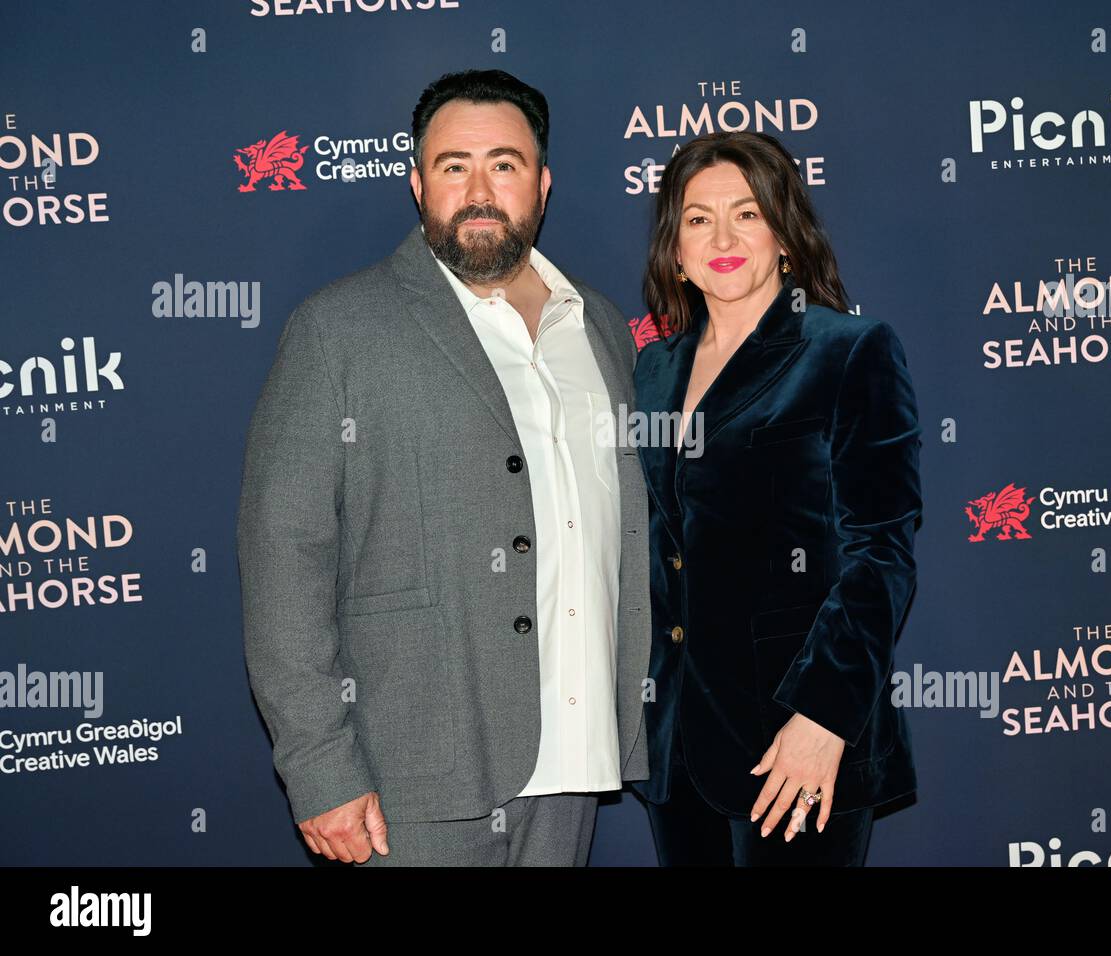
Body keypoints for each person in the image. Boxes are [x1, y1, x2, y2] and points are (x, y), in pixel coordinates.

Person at [236, 69, 651, 866]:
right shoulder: (339, 329)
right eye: (454, 165)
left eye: (505, 162)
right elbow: (284, 551)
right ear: (418, 183)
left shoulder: (597, 324)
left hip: (574, 759)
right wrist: (320, 765)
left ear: (543, 182)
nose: (480, 187)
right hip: (411, 778)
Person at [630, 130, 923, 866]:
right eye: (698, 218)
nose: (721, 237)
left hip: (799, 738)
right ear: (674, 246)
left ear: (786, 237)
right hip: (680, 747)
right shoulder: (650, 372)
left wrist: (824, 716)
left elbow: (880, 550)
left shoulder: (848, 350)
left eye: (747, 213)